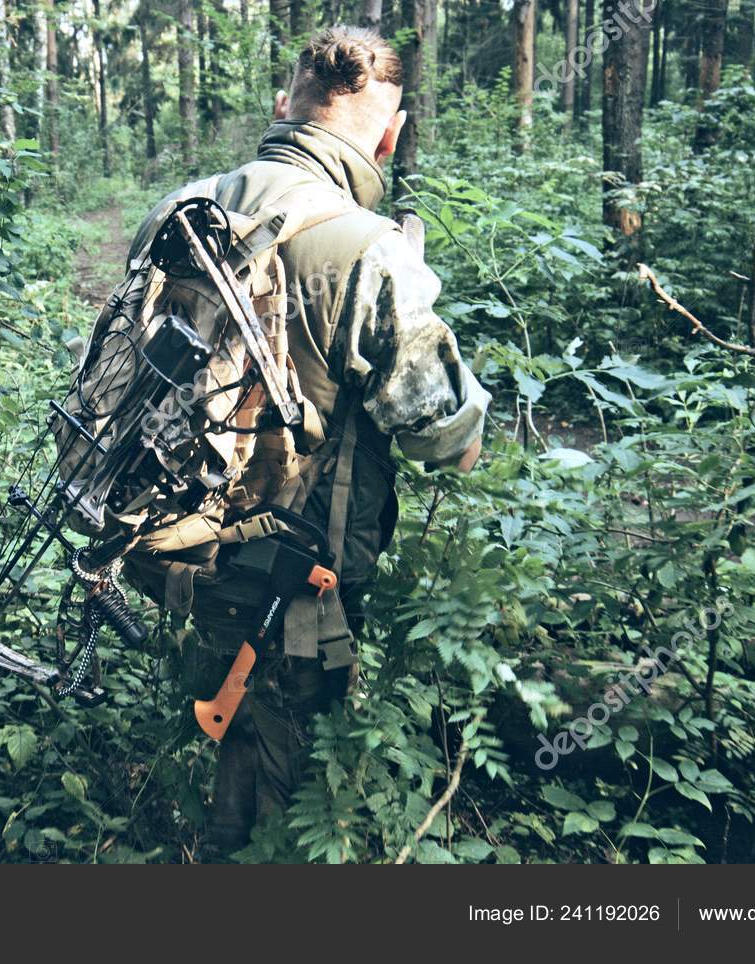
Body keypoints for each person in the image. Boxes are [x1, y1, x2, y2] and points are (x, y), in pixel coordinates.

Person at [124, 25, 491, 856]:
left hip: (173, 548)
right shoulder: (369, 250)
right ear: (389, 135)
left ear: (285, 104)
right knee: (284, 811)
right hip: (294, 583)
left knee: (216, 752)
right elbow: (449, 438)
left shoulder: (181, 207)